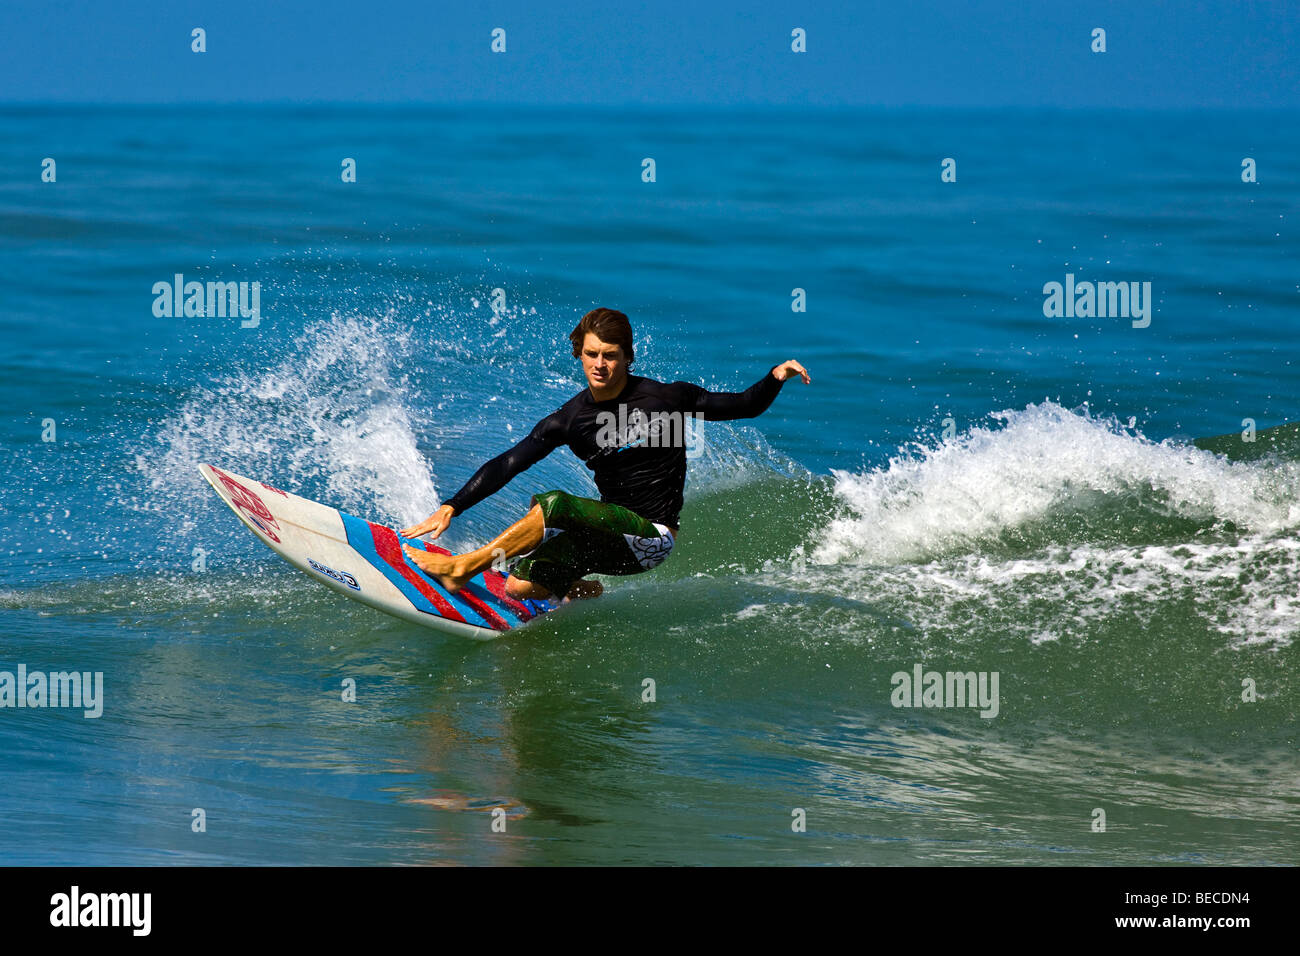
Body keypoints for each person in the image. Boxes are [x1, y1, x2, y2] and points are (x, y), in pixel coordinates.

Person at [400, 307, 810, 605]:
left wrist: (775, 376)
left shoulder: (666, 399)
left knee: (555, 505)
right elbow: (510, 462)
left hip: (652, 538)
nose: (601, 364)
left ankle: (462, 569)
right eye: (592, 353)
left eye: (610, 355)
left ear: (627, 357)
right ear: (579, 353)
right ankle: (582, 590)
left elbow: (742, 406)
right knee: (517, 589)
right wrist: (453, 505)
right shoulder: (569, 420)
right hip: (608, 533)